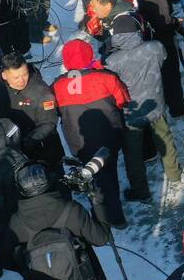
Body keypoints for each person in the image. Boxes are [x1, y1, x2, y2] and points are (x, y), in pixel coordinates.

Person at [52, 38, 131, 228]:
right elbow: (124, 100)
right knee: (108, 178)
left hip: (78, 141)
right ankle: (115, 218)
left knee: (93, 177)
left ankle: (99, 214)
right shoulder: (106, 77)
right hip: (108, 137)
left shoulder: (57, 85)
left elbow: (55, 111)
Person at [105, 14, 182, 194]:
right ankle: (174, 173)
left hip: (131, 112)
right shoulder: (155, 47)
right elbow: (162, 59)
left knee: (132, 153)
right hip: (155, 104)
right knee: (165, 138)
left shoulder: (112, 60)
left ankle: (140, 189)